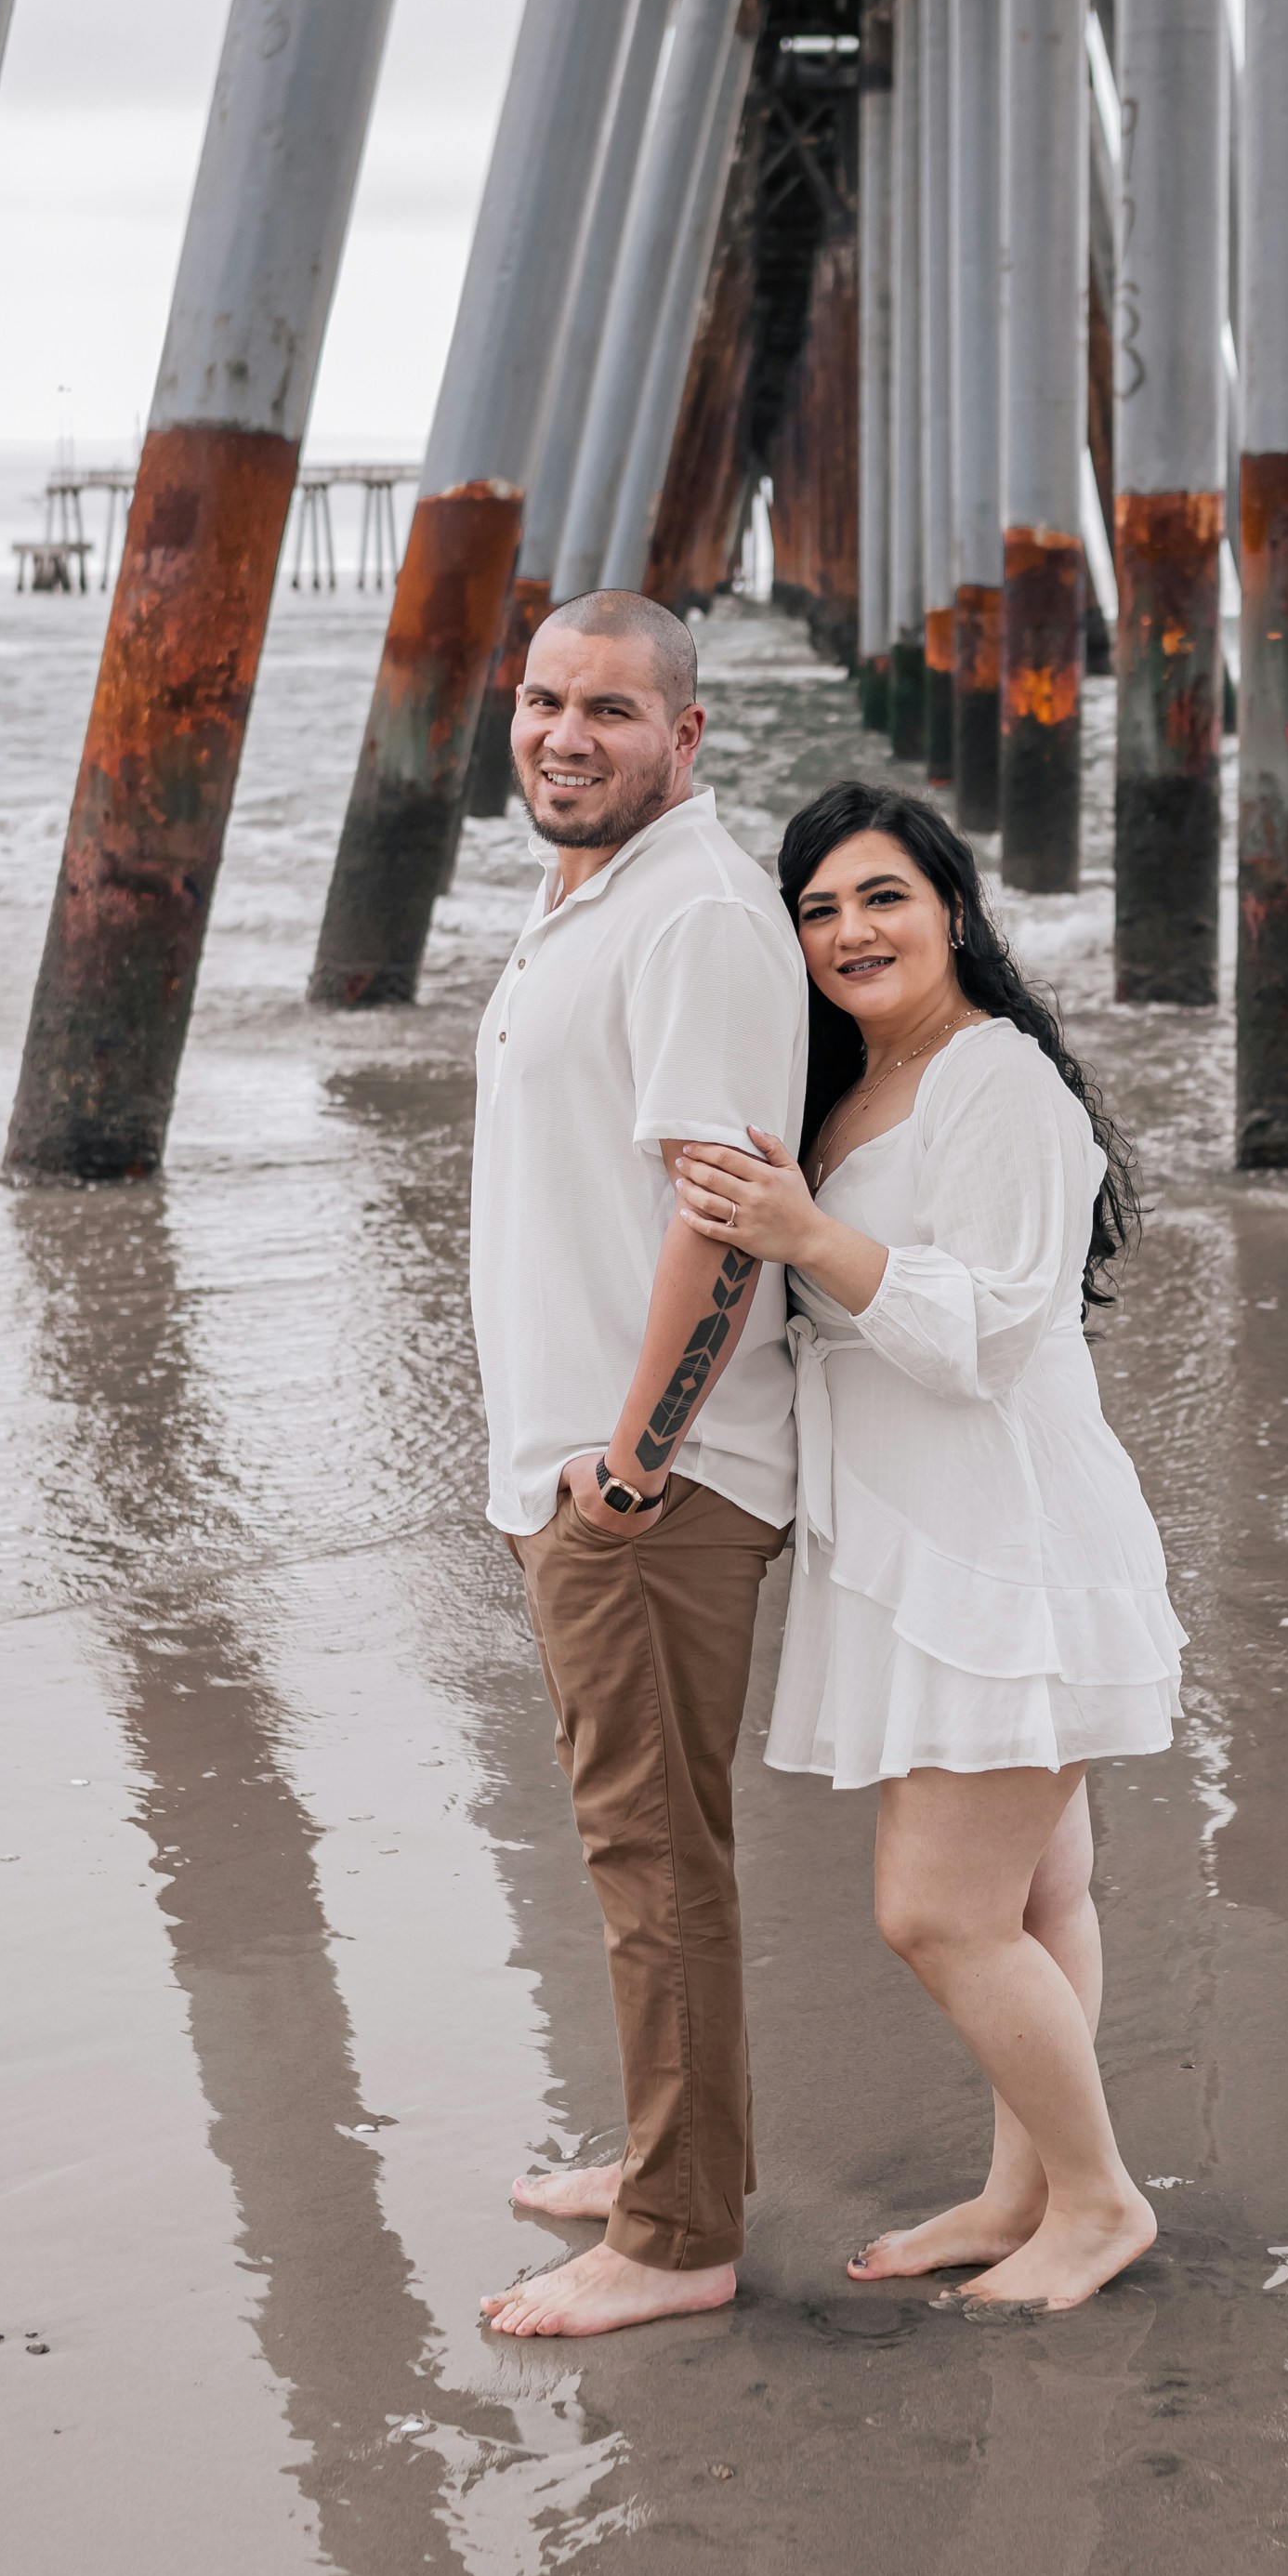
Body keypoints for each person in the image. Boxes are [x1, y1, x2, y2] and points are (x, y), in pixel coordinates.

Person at [672, 783, 1181, 2312]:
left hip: (1005, 1539)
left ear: (951, 908)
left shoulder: (993, 1076)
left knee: (935, 1912)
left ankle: (1097, 2203)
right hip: (912, 1536)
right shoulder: (852, 1086)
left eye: (880, 896)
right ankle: (1019, 2192)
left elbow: (996, 1328)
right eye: (818, 910)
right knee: (1037, 1902)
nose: (848, 932)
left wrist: (804, 1231)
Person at [471, 591, 808, 2342]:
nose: (566, 735)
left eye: (611, 708)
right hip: (594, 1469)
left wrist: (627, 1466)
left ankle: (677, 2240)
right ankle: (668, 2161)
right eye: (544, 699)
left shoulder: (697, 919)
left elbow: (724, 1217)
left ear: (689, 737)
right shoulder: (593, 898)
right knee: (640, 1844)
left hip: (652, 1482)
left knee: (652, 1851)